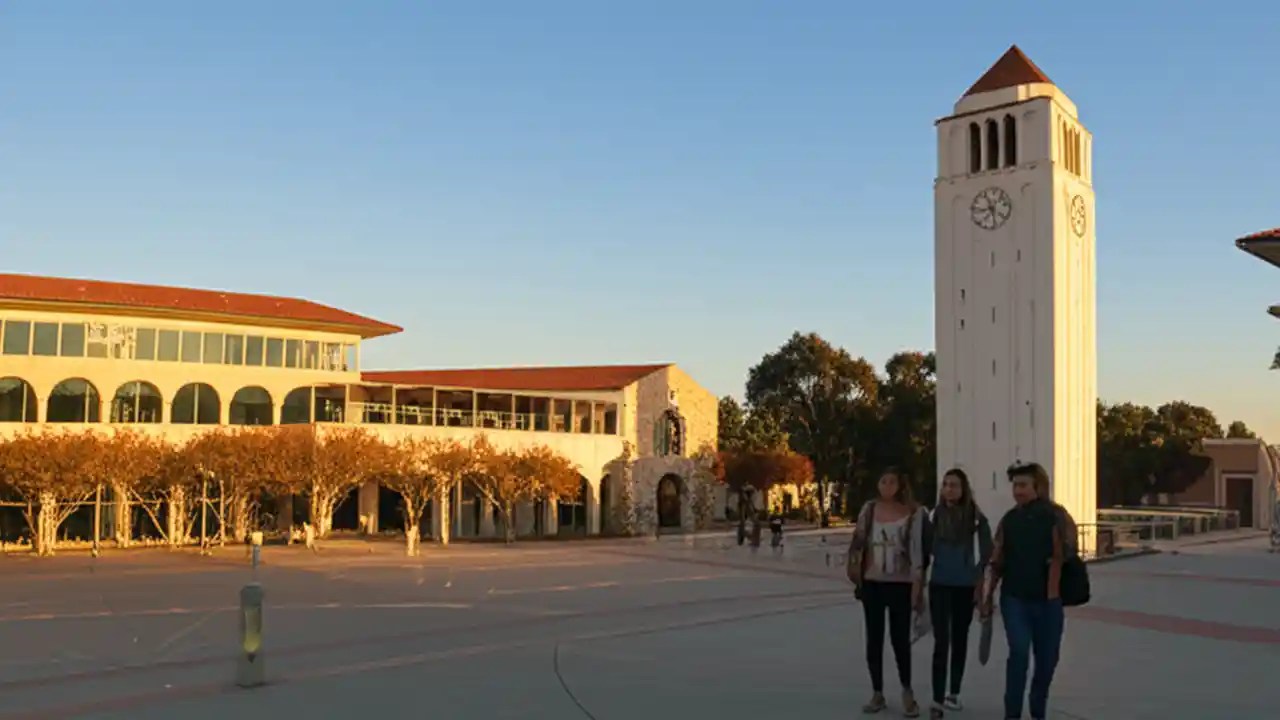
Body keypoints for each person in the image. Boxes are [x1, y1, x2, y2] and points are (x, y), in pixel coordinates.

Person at [982, 462, 1066, 720]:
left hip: (1049, 601)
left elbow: (1068, 553)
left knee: (1047, 661)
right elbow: (997, 560)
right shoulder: (1010, 520)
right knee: (1018, 653)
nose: (1017, 491)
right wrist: (986, 596)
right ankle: (1013, 713)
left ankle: (1037, 708)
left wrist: (1058, 565)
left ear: (1038, 487)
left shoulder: (1056, 516)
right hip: (1015, 599)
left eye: (1023, 485)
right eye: (1015, 486)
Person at [848, 467, 926, 717]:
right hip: (872, 582)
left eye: (892, 482)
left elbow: (917, 551)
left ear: (901, 485)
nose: (887, 486)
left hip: (900, 584)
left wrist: (917, 584)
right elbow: (858, 540)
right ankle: (877, 692)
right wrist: (855, 567)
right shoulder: (869, 509)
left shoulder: (914, 513)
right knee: (874, 639)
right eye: (883, 481)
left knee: (900, 640)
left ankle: (907, 690)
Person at [927, 468, 993, 719]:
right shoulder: (934, 517)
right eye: (945, 484)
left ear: (964, 489)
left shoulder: (976, 519)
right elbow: (923, 550)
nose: (949, 489)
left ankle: (953, 692)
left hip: (965, 587)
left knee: (960, 639)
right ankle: (936, 698)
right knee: (941, 641)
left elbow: (986, 555)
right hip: (940, 584)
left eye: (954, 485)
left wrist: (981, 588)